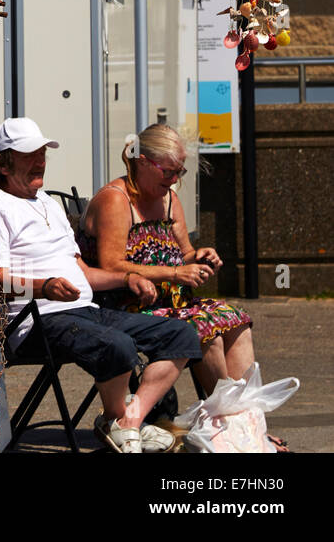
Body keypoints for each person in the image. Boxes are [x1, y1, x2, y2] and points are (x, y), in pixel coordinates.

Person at [0, 117, 202, 453]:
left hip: (86, 310)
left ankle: (126, 423)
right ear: (4, 164)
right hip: (39, 322)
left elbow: (84, 272)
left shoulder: (47, 202)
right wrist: (43, 286)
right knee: (117, 345)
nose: (39, 161)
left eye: (42, 153)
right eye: (28, 155)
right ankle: (121, 422)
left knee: (181, 334)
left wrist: (128, 277)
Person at [79, 123, 288, 451]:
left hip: (172, 302)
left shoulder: (169, 199)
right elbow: (110, 265)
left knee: (236, 320)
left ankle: (246, 423)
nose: (174, 179)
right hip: (127, 305)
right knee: (208, 333)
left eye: (180, 171)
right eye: (168, 170)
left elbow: (184, 252)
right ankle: (228, 429)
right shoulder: (115, 200)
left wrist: (199, 256)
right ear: (143, 161)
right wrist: (175, 273)